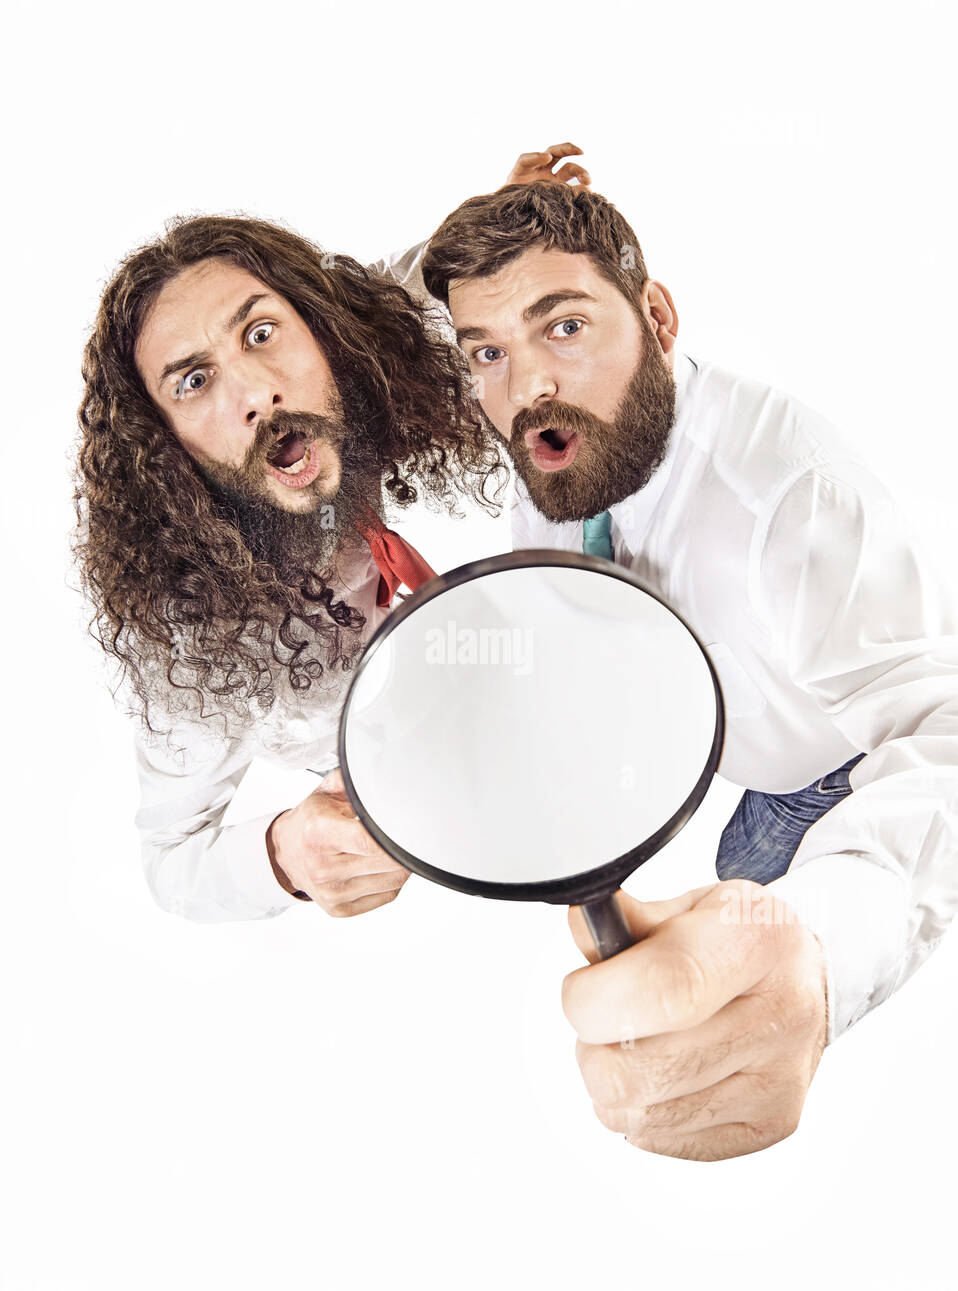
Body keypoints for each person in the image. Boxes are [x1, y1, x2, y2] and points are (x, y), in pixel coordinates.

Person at [420, 180, 958, 1160]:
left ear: (658, 319)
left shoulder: (791, 494)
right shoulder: (559, 434)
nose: (526, 383)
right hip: (704, 733)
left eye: (565, 326)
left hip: (825, 770)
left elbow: (940, 725)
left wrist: (824, 959)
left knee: (744, 883)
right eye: (488, 351)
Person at [74, 146, 587, 923]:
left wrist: (491, 232)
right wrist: (286, 855)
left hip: (489, 658)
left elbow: (405, 293)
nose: (259, 392)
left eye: (260, 334)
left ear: (325, 334)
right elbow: (172, 861)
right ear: (169, 447)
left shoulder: (347, 373)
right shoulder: (190, 640)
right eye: (195, 380)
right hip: (393, 758)